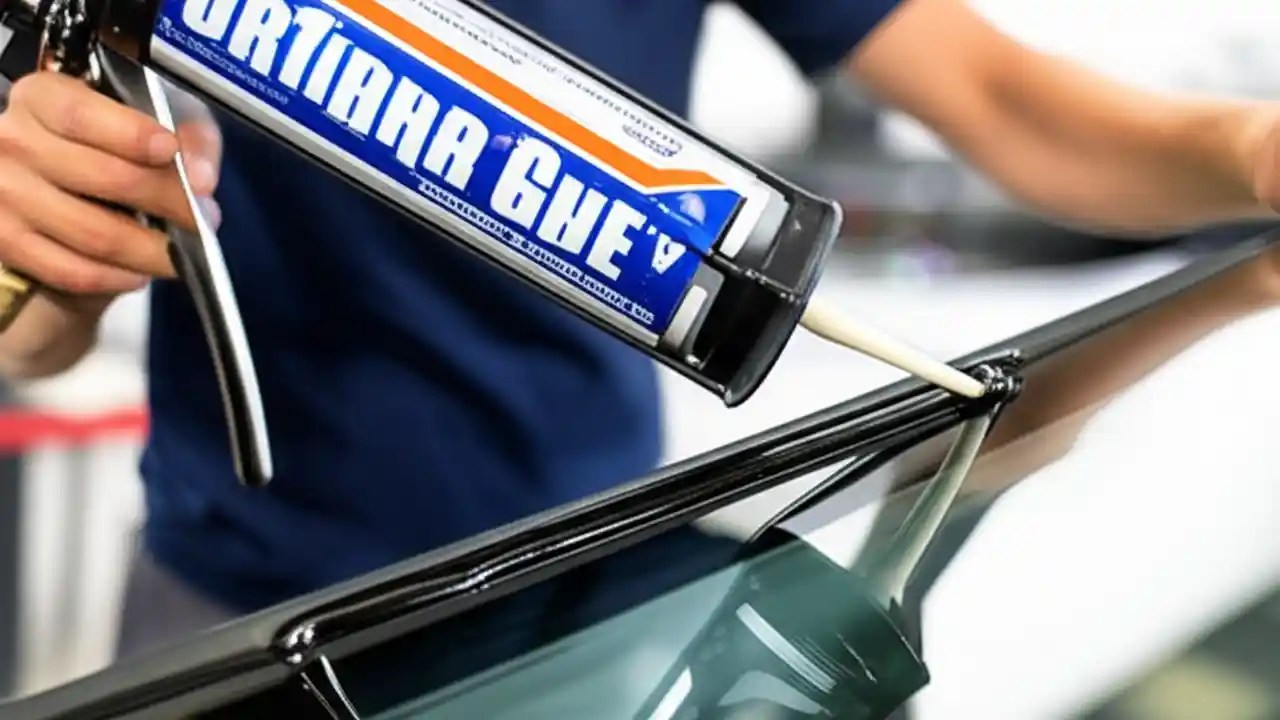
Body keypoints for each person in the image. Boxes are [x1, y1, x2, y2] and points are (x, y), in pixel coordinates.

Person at [0, 0, 1276, 659]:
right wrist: (43, 258)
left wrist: (1246, 149)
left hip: (586, 589)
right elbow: (34, 337)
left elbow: (1000, 100)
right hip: (230, 617)